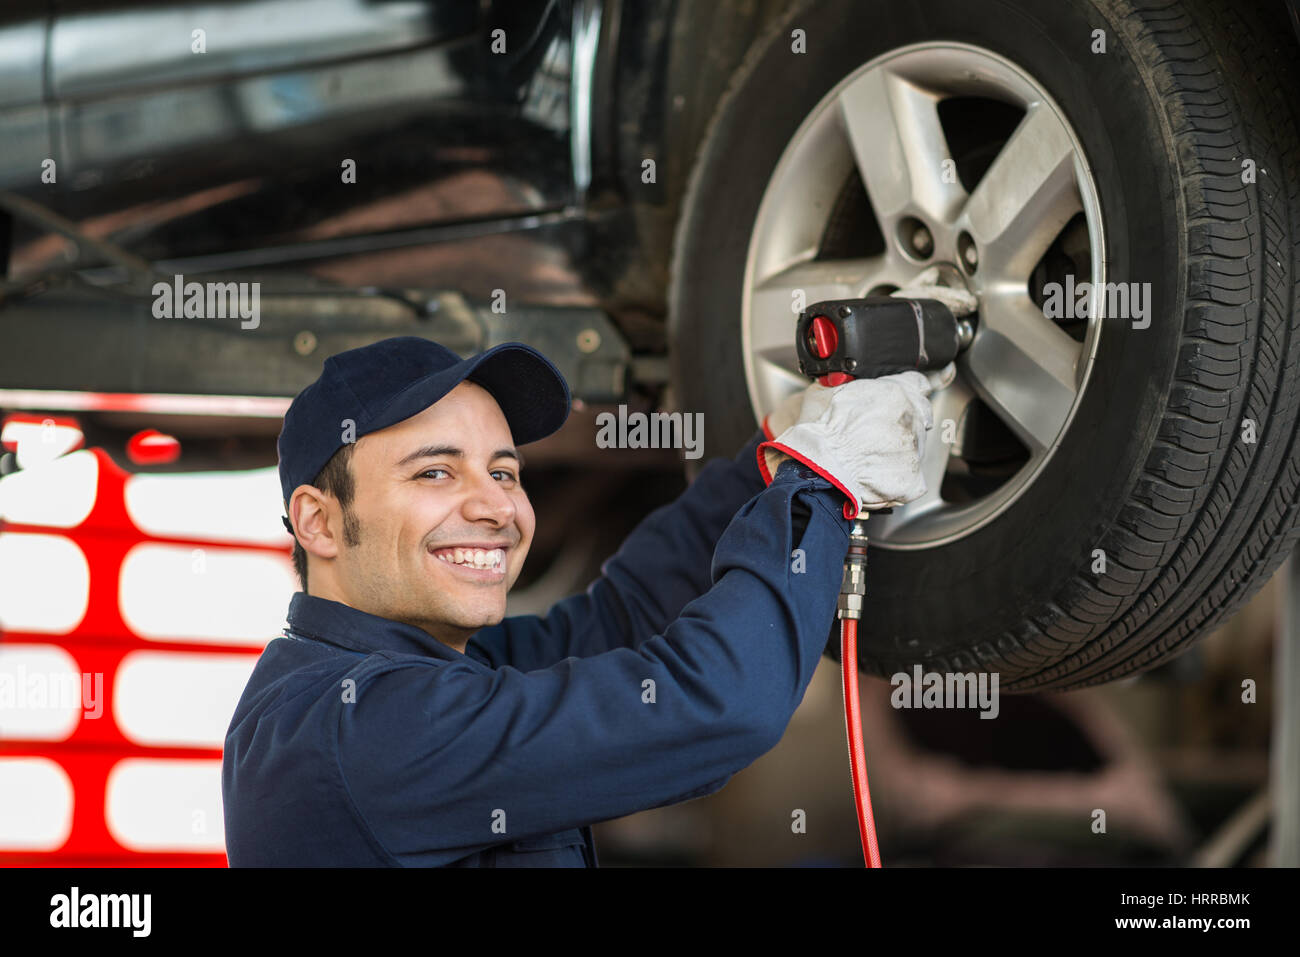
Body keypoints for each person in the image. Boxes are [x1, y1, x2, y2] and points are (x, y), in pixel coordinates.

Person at [222, 323, 952, 867]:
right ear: (318, 521)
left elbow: (622, 620)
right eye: (436, 473)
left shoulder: (399, 676)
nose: (496, 507)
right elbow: (716, 703)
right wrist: (815, 485)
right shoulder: (360, 731)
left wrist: (773, 455)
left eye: (504, 472)